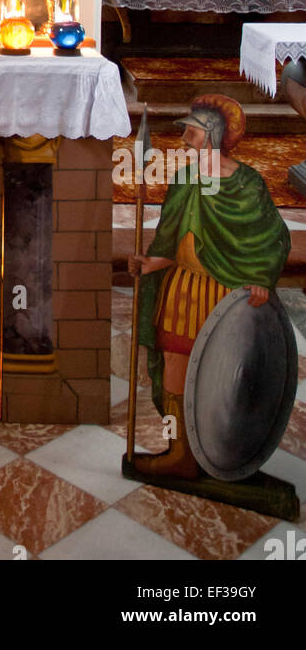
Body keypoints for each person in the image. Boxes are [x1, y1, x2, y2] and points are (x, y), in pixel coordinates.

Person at [128, 94, 290, 479]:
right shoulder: (185, 179)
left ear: (212, 136)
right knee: (173, 368)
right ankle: (178, 451)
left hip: (228, 298)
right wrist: (152, 262)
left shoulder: (248, 184)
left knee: (222, 372)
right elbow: (172, 240)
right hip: (183, 290)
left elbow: (273, 238)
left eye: (192, 131)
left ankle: (220, 448)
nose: (184, 138)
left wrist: (261, 279)